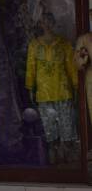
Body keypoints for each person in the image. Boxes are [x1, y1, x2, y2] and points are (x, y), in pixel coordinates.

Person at [25, 12, 80, 165]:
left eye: (49, 21)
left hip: (63, 91)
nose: (47, 24)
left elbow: (71, 66)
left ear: (53, 23)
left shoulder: (64, 44)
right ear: (40, 24)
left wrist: (76, 86)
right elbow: (31, 68)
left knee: (67, 126)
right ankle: (53, 158)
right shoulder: (34, 45)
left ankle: (68, 159)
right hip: (44, 93)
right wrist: (30, 87)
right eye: (44, 22)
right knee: (49, 130)